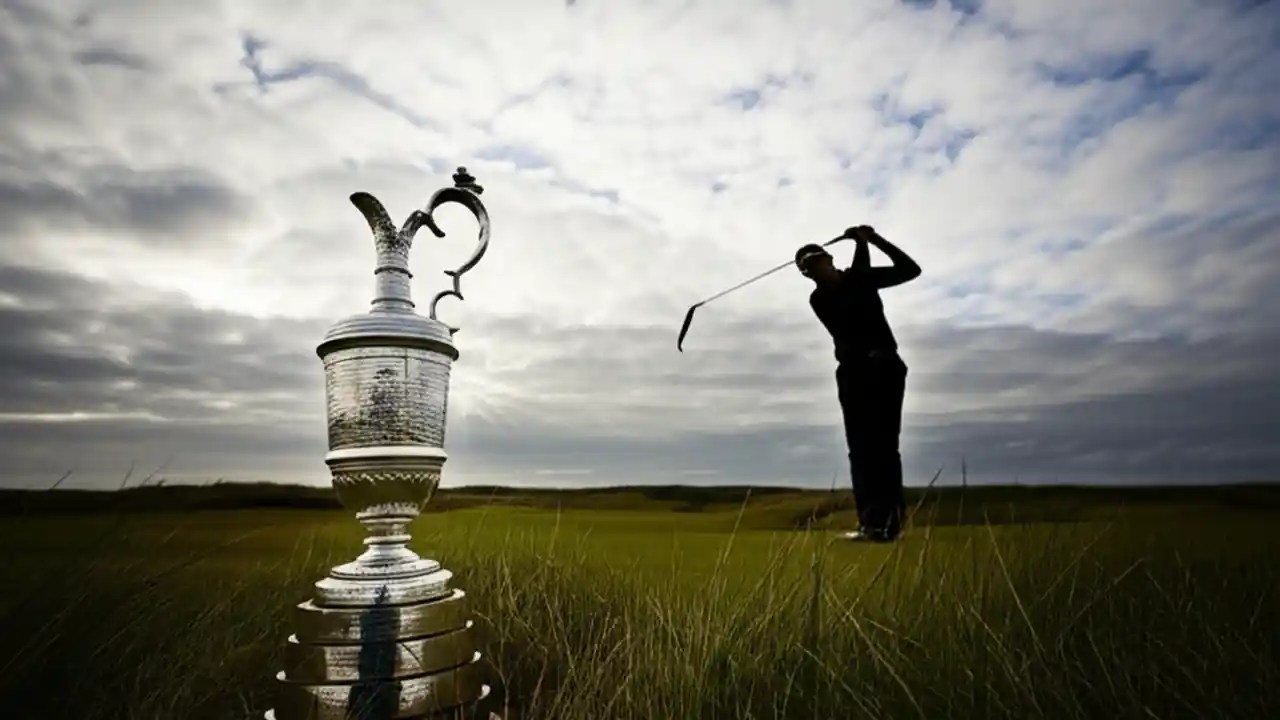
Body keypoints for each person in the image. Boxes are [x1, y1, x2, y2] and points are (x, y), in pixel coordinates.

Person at [795, 226, 921, 542]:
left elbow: (910, 270)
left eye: (817, 260)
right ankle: (870, 523)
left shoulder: (858, 278)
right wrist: (862, 243)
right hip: (853, 373)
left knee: (884, 448)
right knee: (860, 450)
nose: (816, 268)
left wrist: (875, 241)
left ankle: (888, 525)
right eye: (808, 267)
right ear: (807, 275)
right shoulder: (820, 298)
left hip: (885, 368)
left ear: (829, 258)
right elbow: (858, 284)